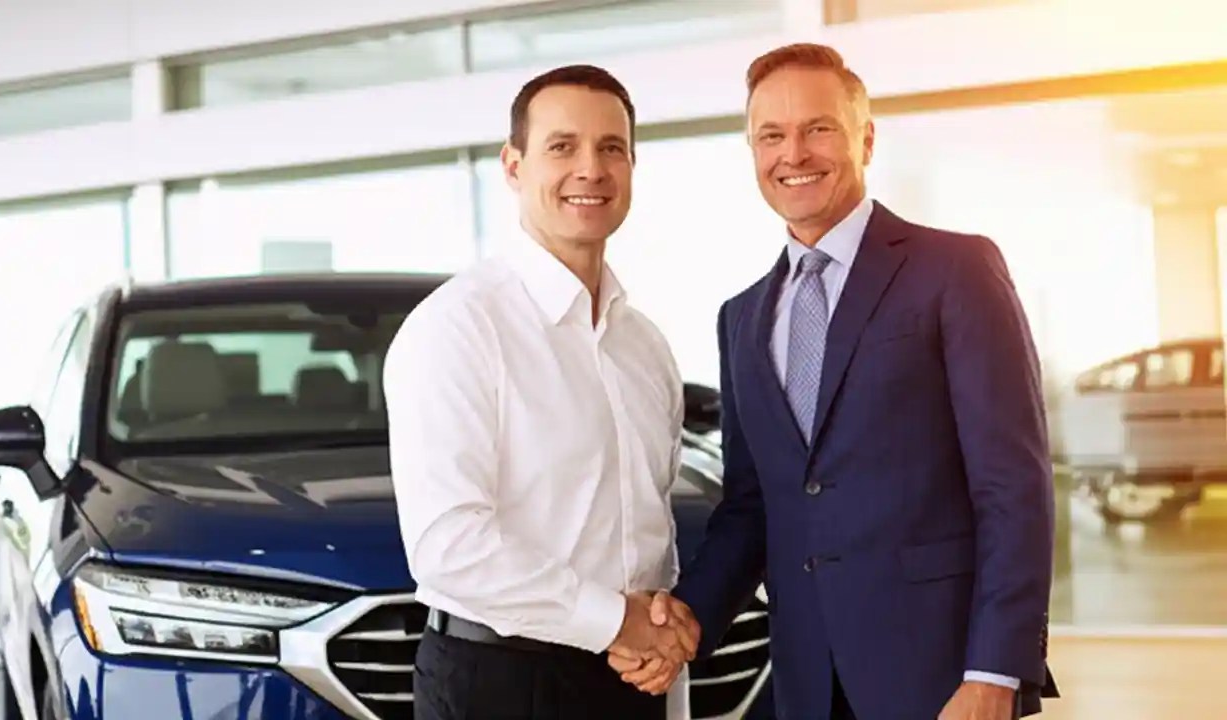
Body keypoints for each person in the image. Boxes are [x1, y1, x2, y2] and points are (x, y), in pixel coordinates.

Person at [615, 43, 1060, 719]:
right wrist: (686, 623)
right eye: (771, 135)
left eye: (817, 128)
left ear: (865, 139)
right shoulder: (741, 317)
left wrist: (996, 668)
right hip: (806, 683)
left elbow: (1012, 486)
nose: (793, 154)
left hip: (944, 678)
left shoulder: (955, 270)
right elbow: (751, 508)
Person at [383, 64, 700, 720]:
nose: (591, 168)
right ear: (513, 165)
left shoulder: (645, 345)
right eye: (563, 147)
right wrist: (617, 621)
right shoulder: (458, 327)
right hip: (500, 684)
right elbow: (449, 545)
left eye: (612, 148)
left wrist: (657, 638)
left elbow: (649, 531)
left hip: (631, 679)